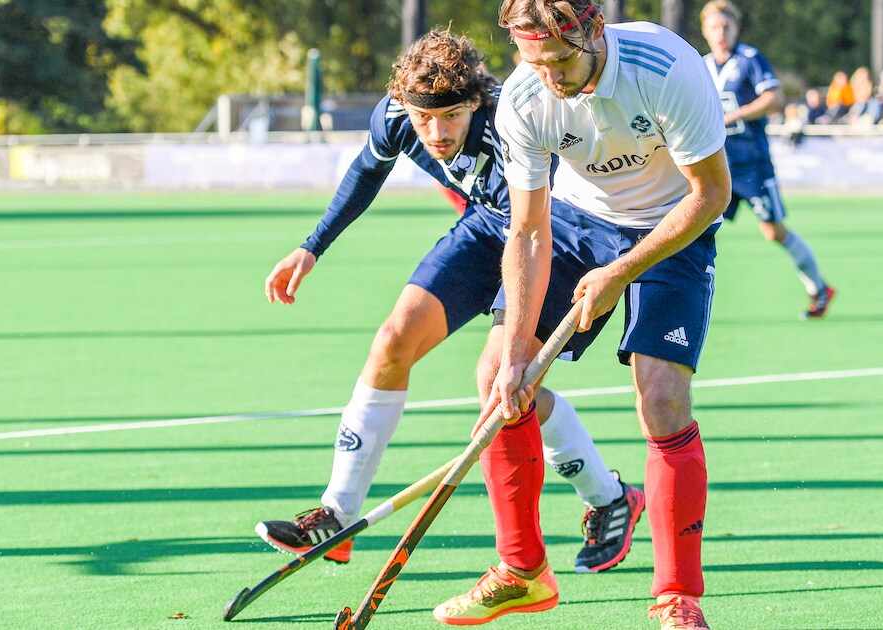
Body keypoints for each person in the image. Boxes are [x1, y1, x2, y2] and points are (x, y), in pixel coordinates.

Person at [258, 28, 646, 575]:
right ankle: (337, 516)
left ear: (475, 104)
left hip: (554, 237)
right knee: (394, 341)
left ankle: (608, 498)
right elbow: (367, 171)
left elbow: (545, 219)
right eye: (423, 120)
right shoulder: (396, 116)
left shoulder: (511, 117)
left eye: (451, 118)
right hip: (488, 227)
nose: (436, 134)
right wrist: (310, 247)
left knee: (505, 383)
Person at [430, 2, 730, 628]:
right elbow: (530, 232)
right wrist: (515, 346)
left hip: (672, 224)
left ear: (594, 33)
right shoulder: (523, 98)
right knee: (498, 379)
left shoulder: (666, 65)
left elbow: (711, 194)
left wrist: (621, 273)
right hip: (576, 223)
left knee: (662, 398)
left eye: (561, 61)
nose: (551, 78)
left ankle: (677, 596)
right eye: (536, 63)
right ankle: (522, 573)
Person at [700, 0, 834, 319]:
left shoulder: (749, 59)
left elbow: (774, 98)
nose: (721, 33)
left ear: (736, 28)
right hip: (716, 165)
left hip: (752, 164)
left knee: (773, 231)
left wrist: (735, 115)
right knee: (697, 227)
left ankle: (819, 287)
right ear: (705, 31)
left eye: (727, 27)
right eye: (715, 27)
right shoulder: (701, 64)